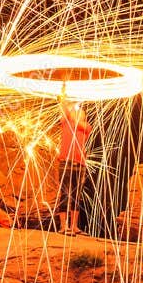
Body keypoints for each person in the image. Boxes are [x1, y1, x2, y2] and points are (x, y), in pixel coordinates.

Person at [54, 92, 92, 235]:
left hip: (80, 163)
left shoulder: (86, 126)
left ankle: (74, 226)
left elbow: (73, 117)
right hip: (65, 162)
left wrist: (71, 106)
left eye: (80, 112)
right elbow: (64, 110)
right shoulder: (66, 122)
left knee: (76, 196)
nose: (77, 112)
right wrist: (63, 95)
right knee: (64, 194)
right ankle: (64, 226)